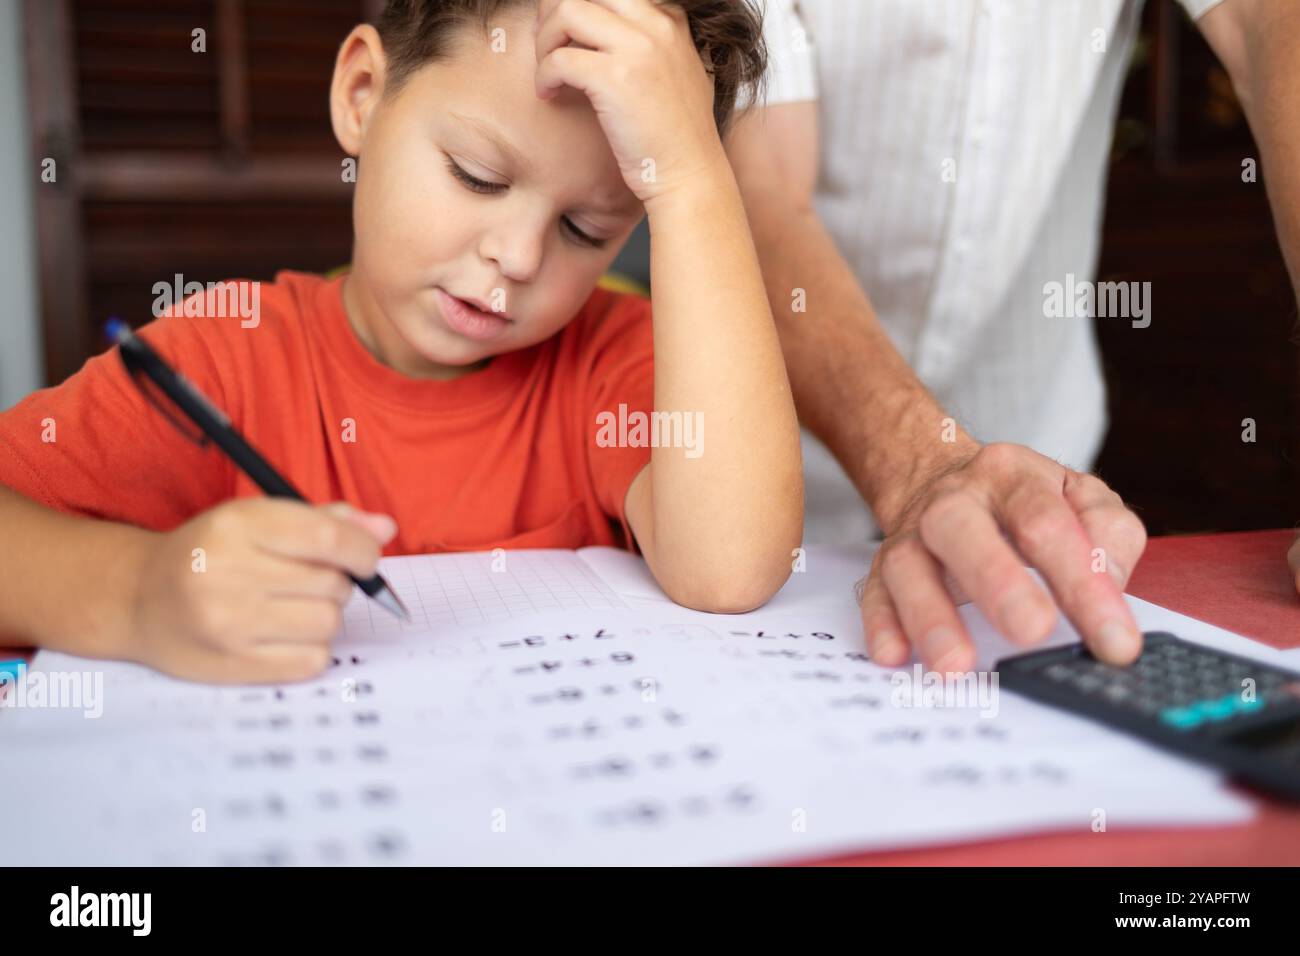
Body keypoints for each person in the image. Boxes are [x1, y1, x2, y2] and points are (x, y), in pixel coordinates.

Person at [0, 0, 803, 682]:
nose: (518, 259)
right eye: (478, 175)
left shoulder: (616, 364)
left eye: (584, 229)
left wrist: (692, 183)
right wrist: (142, 597)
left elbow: (728, 568)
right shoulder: (226, 355)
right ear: (362, 94)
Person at [727, 0, 1300, 670]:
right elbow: (758, 187)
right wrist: (921, 465)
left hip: (1042, 500)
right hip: (763, 496)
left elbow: (1268, 17)